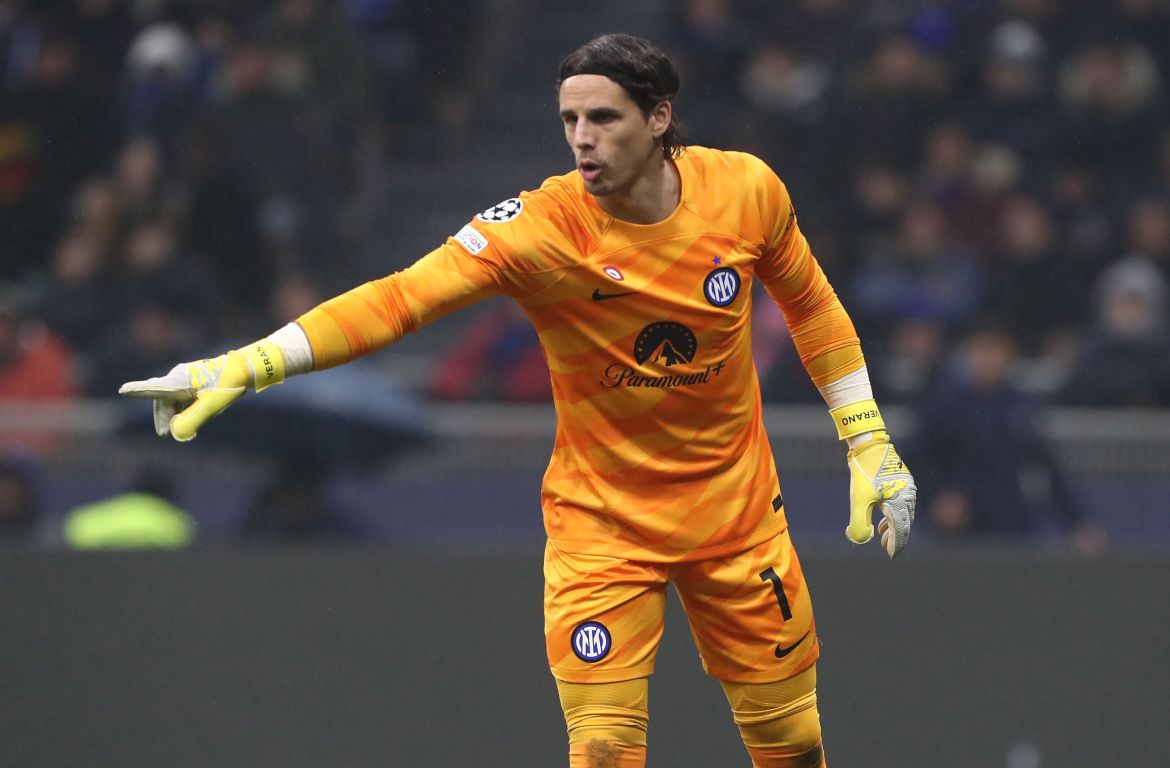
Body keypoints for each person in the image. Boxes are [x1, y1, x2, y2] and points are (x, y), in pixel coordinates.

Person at [120, 34, 916, 768]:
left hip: (736, 517)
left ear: (660, 116)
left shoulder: (746, 190)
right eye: (570, 119)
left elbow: (812, 305)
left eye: (603, 117)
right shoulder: (537, 230)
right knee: (602, 750)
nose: (582, 138)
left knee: (793, 742)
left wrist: (866, 439)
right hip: (602, 526)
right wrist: (253, 363)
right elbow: (399, 300)